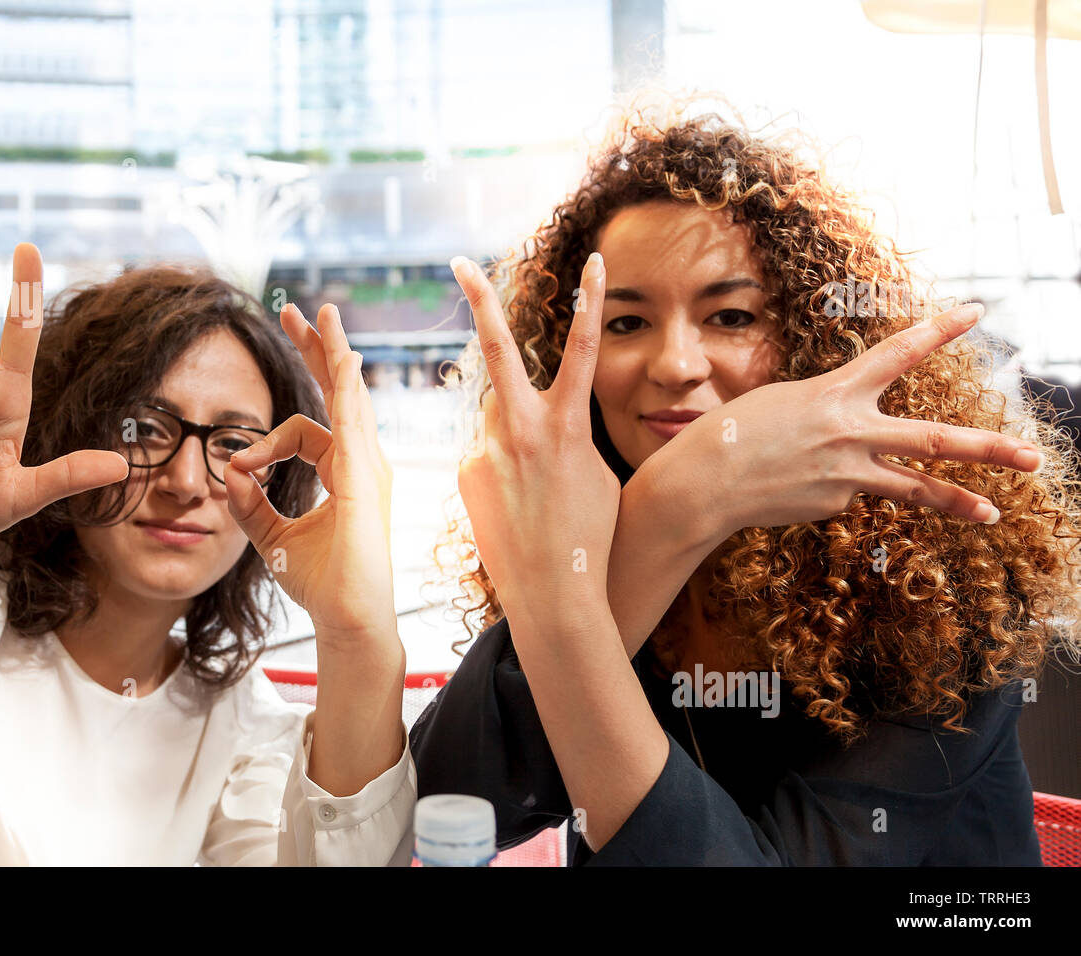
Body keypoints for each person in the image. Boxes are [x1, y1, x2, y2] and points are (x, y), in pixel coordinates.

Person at [411, 100, 1081, 865]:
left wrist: (676, 504)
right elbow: (445, 800)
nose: (675, 365)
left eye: (730, 316)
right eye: (626, 323)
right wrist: (661, 524)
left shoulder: (937, 577)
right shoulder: (591, 528)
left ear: (812, 342)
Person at [0, 244, 414, 865]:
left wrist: (357, 630)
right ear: (67, 432)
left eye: (232, 443)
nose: (187, 482)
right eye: (147, 429)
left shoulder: (243, 732)